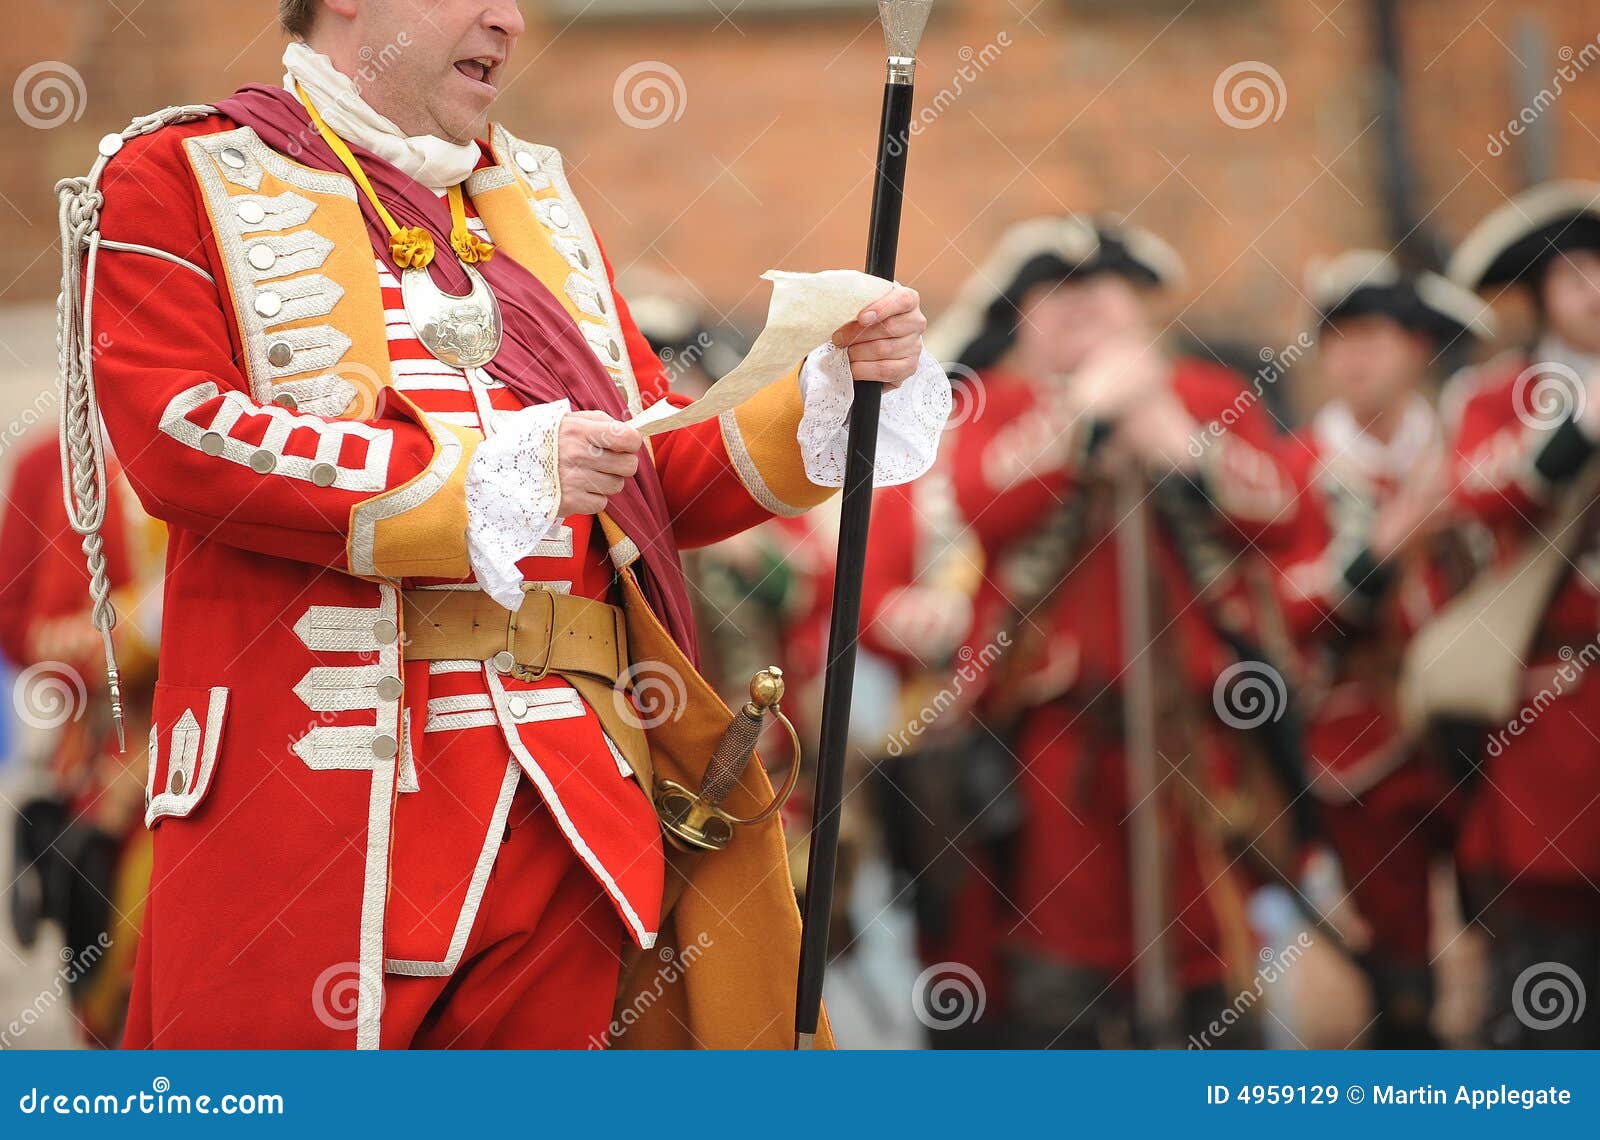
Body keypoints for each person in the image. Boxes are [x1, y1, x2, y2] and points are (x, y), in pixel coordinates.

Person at [57, 0, 950, 1049]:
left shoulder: (530, 200)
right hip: (310, 806)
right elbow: (184, 438)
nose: (511, 19)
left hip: (568, 802)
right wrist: (484, 473)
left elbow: (647, 477)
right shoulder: (180, 172)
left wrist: (829, 390)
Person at [930, 215, 1304, 1047]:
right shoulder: (1002, 406)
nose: (1077, 311)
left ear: (1140, 306)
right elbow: (984, 503)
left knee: (1213, 963)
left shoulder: (1207, 395)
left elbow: (1280, 509)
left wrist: (1177, 442)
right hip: (1063, 745)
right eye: (1051, 297)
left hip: (1199, 737)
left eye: (1098, 292)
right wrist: (1084, 418)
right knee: (1063, 970)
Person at [1273, 250, 1493, 1046]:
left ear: (1417, 347)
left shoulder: (1470, 452)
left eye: (1375, 334)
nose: (1353, 355)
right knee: (1399, 982)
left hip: (1485, 739)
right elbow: (1280, 610)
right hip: (1358, 755)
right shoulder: (1296, 467)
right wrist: (1382, 550)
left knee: (1514, 946)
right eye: (1337, 336)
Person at [1434, 182, 1600, 1048]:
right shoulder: (1496, 397)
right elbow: (1481, 487)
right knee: (1546, 991)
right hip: (1548, 711)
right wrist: (1582, 426)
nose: (1597, 290)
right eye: (1577, 276)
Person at [0, 430, 164, 1046]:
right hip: (108, 770)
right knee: (113, 991)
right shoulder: (52, 461)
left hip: (240, 756)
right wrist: (135, 627)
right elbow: (18, 625)